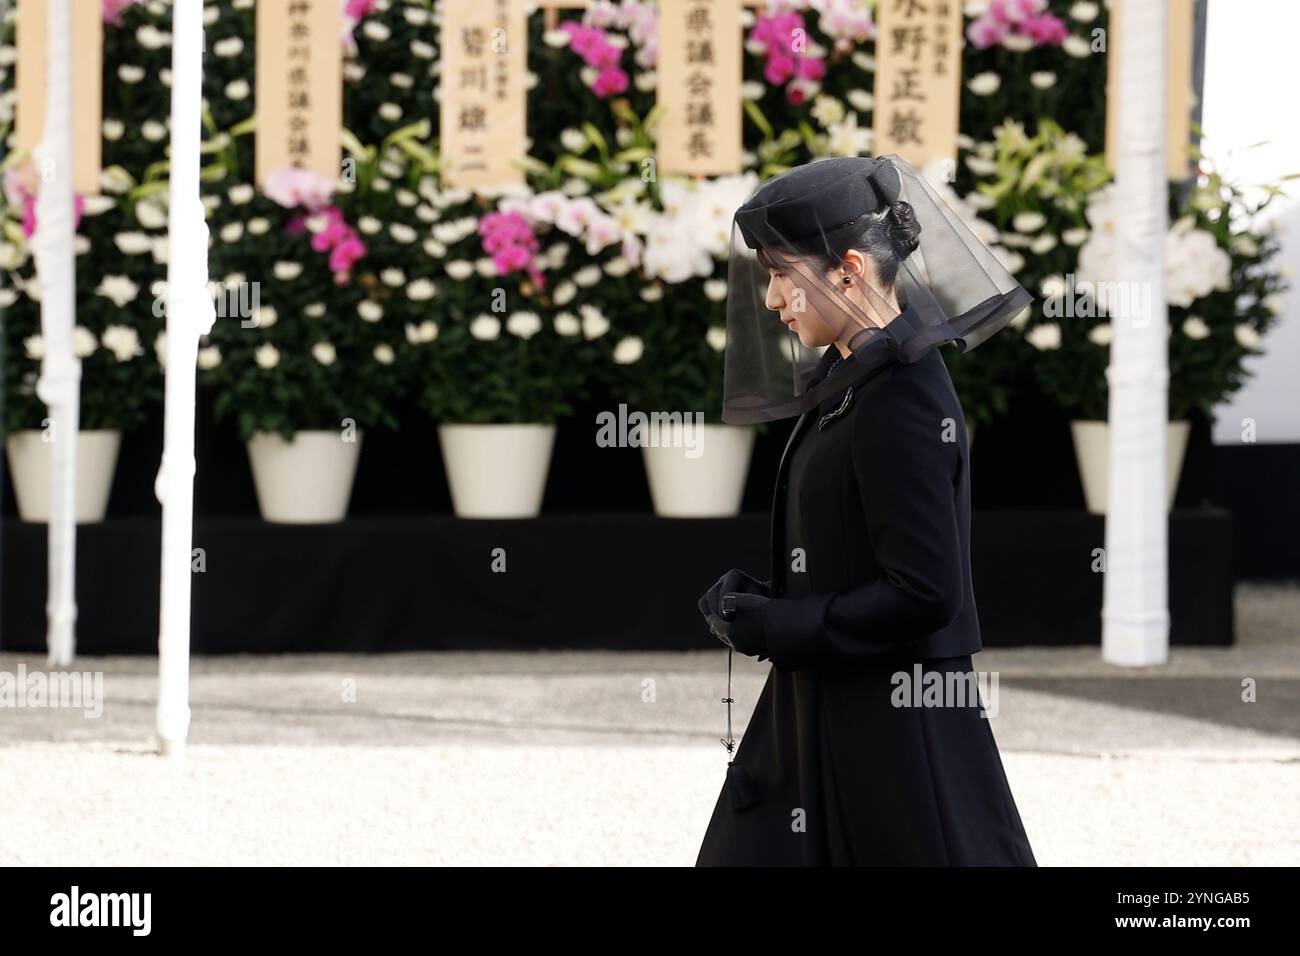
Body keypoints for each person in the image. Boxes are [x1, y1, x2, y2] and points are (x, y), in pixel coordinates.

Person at [695, 155, 1037, 866]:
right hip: (834, 704)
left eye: (781, 274)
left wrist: (778, 625)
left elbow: (925, 591)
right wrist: (766, 602)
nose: (772, 299)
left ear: (849, 270)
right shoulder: (857, 376)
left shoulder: (901, 396)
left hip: (892, 733)